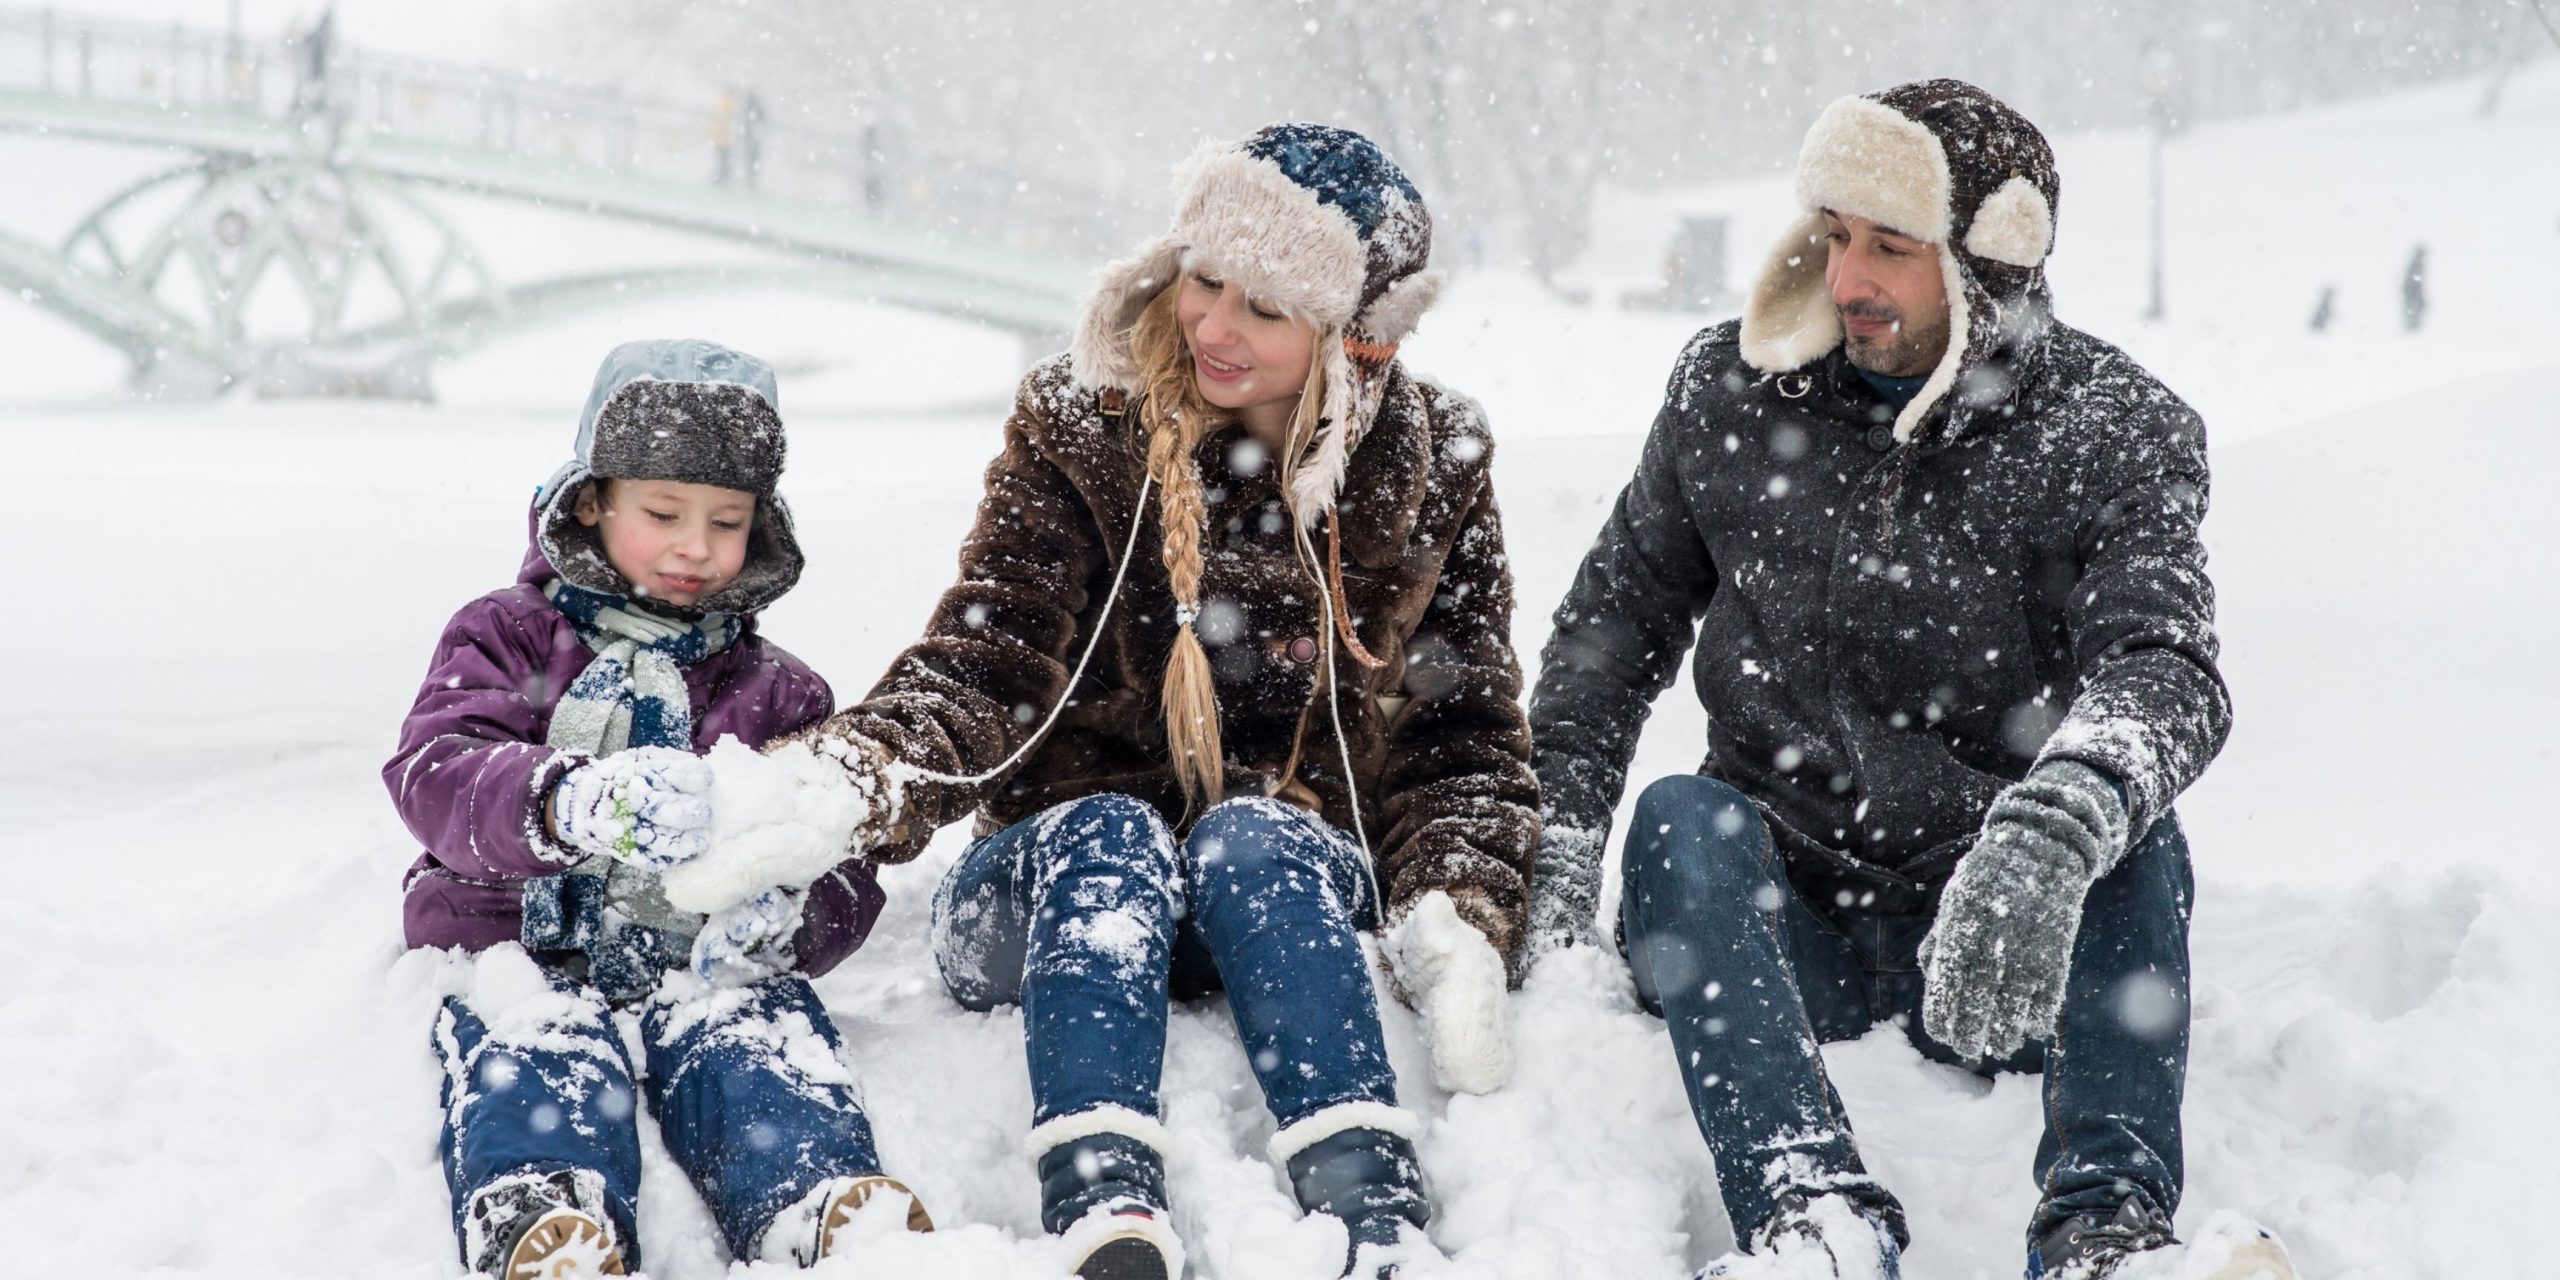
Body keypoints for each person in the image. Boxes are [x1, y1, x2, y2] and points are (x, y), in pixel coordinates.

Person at [1526, 80, 2261, 1280]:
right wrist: (1552, 830)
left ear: (1990, 261)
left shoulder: (2111, 428)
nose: (1846, 277)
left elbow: (2163, 664)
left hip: (2001, 937)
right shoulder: (1727, 394)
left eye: (1890, 247)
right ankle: (1811, 1214)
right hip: (1772, 927)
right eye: (1833, 236)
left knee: (2132, 820)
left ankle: (2105, 1232)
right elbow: (1612, 625)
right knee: (1677, 818)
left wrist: (2048, 835)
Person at [779, 124, 1538, 1280]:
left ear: (1355, 342)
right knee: (1112, 831)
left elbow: (1462, 729)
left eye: (1266, 308)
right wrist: (854, 774)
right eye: (1204, 279)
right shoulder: (1082, 425)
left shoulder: (1437, 464)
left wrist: (1459, 906)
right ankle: (1103, 1204)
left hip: (1278, 901)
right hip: (1058, 888)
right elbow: (988, 657)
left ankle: (1372, 1207)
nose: (1213, 327)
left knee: (1255, 834)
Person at [386, 339, 931, 1278]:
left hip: (696, 960)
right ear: (592, 500)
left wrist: (795, 917)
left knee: (754, 1041)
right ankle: (545, 1210)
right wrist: (565, 801)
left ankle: (814, 1203)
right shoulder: (507, 635)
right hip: (516, 939)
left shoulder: (780, 694)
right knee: (536, 1047)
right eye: (664, 513)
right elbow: (434, 771)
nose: (694, 547)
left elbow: (836, 852)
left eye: (726, 521)